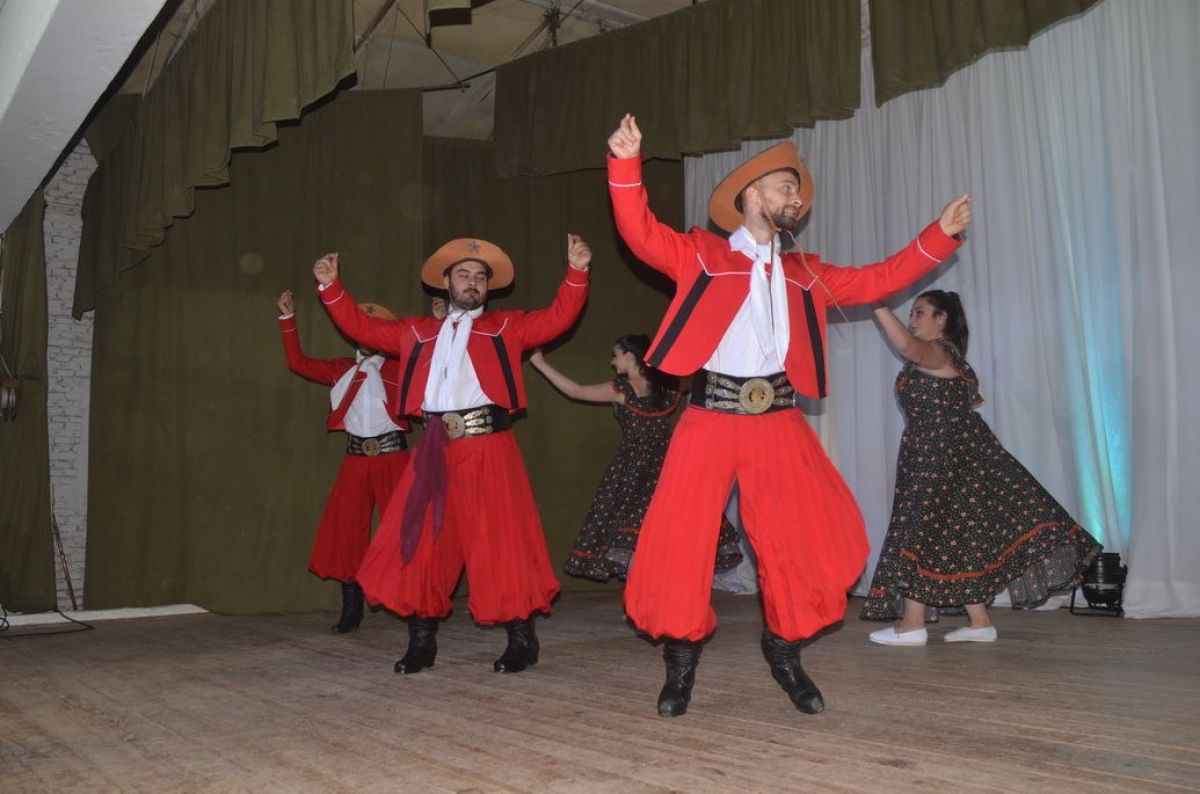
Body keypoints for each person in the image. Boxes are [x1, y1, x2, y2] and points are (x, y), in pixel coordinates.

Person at [605, 114, 972, 716]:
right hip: (710, 417)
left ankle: (784, 649)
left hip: (778, 416)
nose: (795, 197)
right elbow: (640, 232)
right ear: (752, 196)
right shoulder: (701, 255)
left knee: (808, 539)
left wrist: (939, 235)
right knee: (680, 542)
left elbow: (879, 277)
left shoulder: (807, 274)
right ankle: (680, 664)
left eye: (797, 190)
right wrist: (625, 165)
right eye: (784, 186)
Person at [311, 235, 592, 673]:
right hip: (434, 449)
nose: (472, 282)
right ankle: (422, 642)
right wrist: (331, 288)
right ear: (445, 282)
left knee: (499, 541)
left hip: (489, 447)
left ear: (487, 287)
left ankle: (521, 638)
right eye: (463, 275)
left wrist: (577, 273)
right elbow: (363, 329)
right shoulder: (417, 332)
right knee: (424, 542)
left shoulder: (505, 326)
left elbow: (559, 318)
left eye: (480, 277)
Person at [862, 290, 1102, 645]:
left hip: (939, 455)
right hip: (936, 452)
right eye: (911, 313)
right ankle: (980, 622)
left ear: (942, 319)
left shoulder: (941, 353)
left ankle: (912, 625)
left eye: (920, 312)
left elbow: (909, 347)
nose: (912, 319)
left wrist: (875, 303)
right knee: (953, 534)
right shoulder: (941, 357)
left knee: (922, 532)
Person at [528, 337, 742, 581]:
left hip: (642, 468)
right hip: (657, 467)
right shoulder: (664, 387)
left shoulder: (633, 389)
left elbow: (575, 390)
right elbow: (699, 373)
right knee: (645, 532)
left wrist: (538, 362)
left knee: (645, 533)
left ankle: (650, 596)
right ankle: (644, 597)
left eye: (615, 355)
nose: (612, 361)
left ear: (630, 357)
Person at [276, 289, 411, 634]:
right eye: (361, 328)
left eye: (373, 328)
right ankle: (352, 608)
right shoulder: (342, 370)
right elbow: (298, 363)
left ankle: (412, 603)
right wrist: (287, 320)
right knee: (346, 532)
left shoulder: (401, 367)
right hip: (355, 458)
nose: (366, 336)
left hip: (393, 457)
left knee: (405, 531)